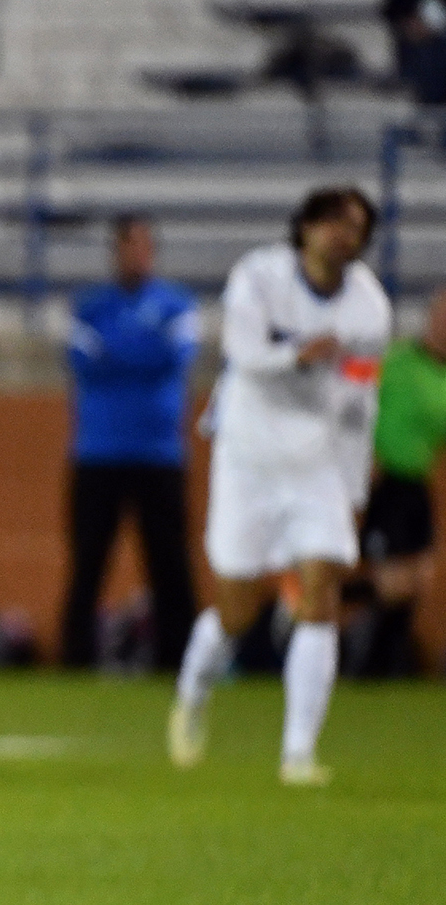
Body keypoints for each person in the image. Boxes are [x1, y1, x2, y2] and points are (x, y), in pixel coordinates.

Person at [169, 186, 391, 787]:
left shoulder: (369, 308)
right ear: (307, 228)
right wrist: (298, 353)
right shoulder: (259, 278)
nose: (344, 235)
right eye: (333, 222)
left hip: (316, 459)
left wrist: (352, 487)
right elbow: (242, 352)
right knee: (238, 607)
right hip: (249, 453)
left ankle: (297, 753)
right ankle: (193, 689)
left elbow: (360, 401)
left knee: (322, 591)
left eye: (356, 226)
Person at [58, 214, 200, 670]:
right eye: (126, 246)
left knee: (170, 565)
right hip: (97, 453)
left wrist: (116, 352)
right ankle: (75, 659)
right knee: (87, 562)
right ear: (114, 252)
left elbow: (172, 359)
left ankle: (178, 661)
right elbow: (83, 362)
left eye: (141, 246)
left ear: (152, 252)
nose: (134, 255)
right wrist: (141, 350)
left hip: (159, 455)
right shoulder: (89, 307)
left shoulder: (177, 305)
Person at [357, 286, 446, 674]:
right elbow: (355, 389)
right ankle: (307, 601)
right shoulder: (397, 360)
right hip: (387, 480)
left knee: (420, 576)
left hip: (418, 483)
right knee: (392, 578)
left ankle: (387, 658)